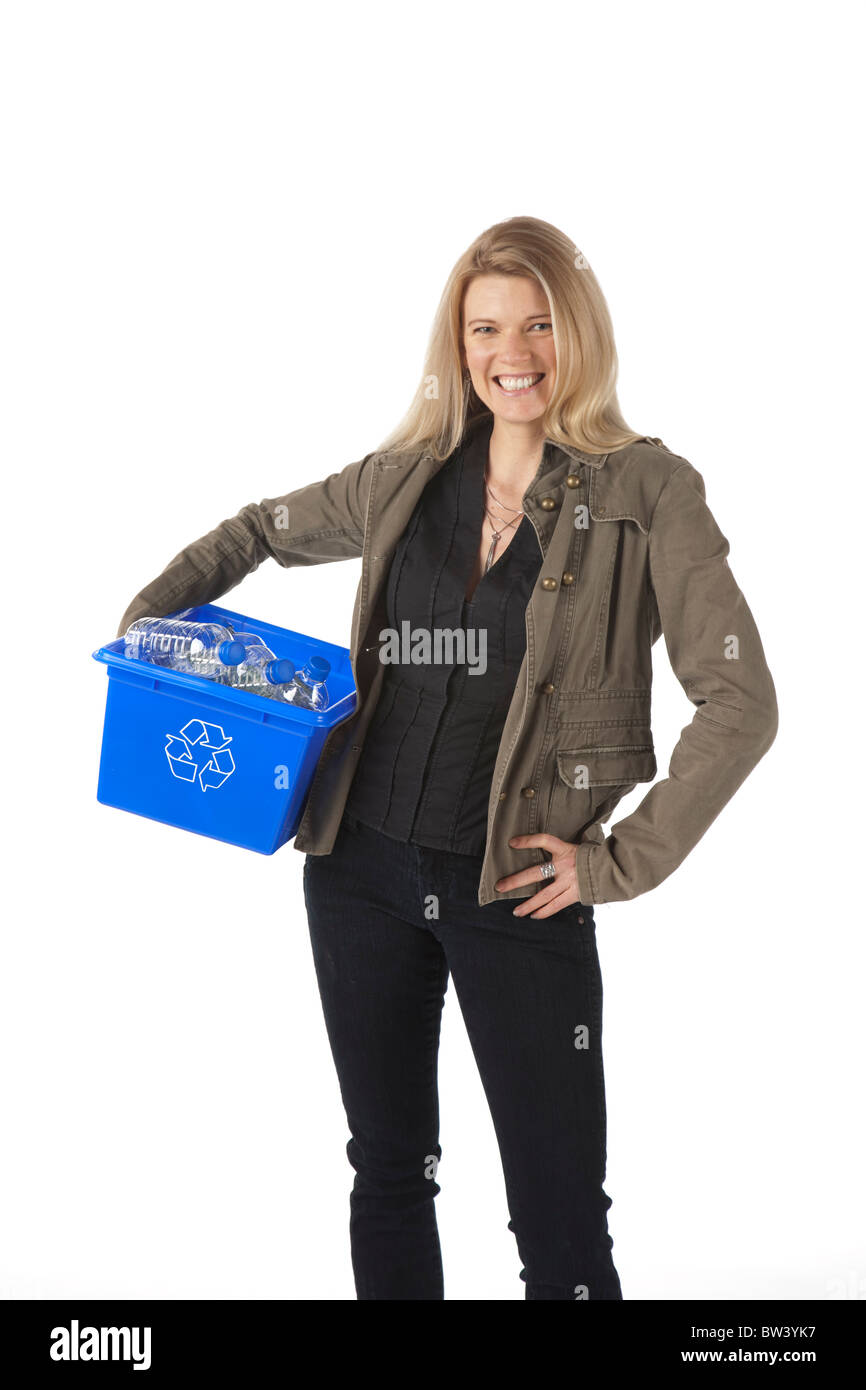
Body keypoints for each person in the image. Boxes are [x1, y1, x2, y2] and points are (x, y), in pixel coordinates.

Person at [118, 215, 778, 1299]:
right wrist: (150, 628)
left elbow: (739, 701)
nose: (509, 353)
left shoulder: (648, 492)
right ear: (458, 341)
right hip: (358, 874)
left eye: (537, 325)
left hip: (516, 888)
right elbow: (262, 529)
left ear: (579, 335)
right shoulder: (411, 473)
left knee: (559, 1214)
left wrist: (612, 864)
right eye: (484, 327)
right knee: (388, 1173)